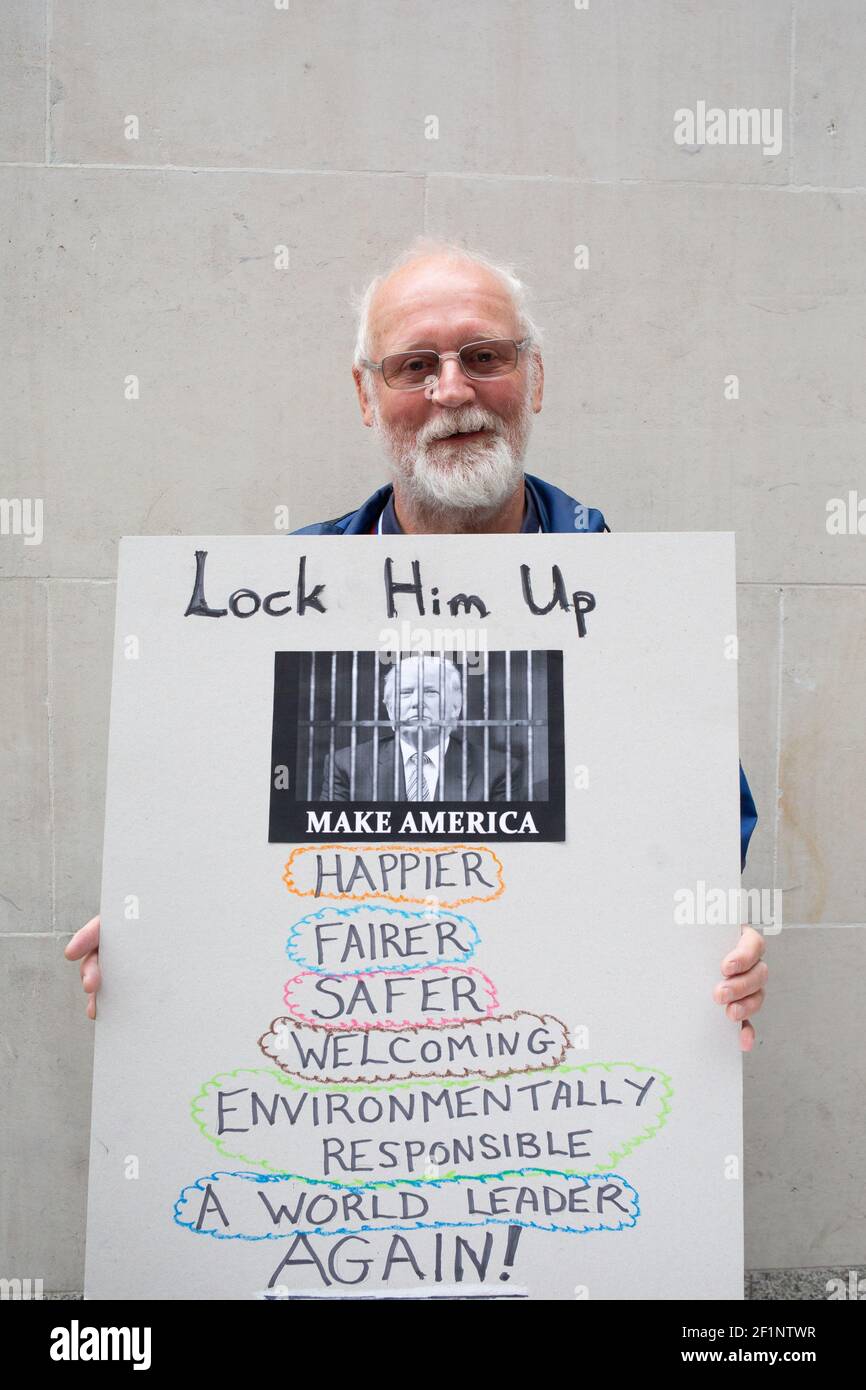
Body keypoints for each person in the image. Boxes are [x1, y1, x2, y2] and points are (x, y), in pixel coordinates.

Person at [66, 237, 767, 1049]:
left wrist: (708, 950)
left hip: (556, 1074)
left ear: (534, 378)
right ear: (367, 396)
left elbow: (706, 829)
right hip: (336, 1063)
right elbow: (214, 839)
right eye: (413, 367)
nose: (453, 390)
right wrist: (165, 942)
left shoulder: (635, 608)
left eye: (484, 356)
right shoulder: (264, 617)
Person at [318, 653, 522, 801]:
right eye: (405, 693)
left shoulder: (499, 769)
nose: (417, 702)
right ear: (390, 710)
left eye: (431, 692)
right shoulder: (346, 765)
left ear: (455, 707)